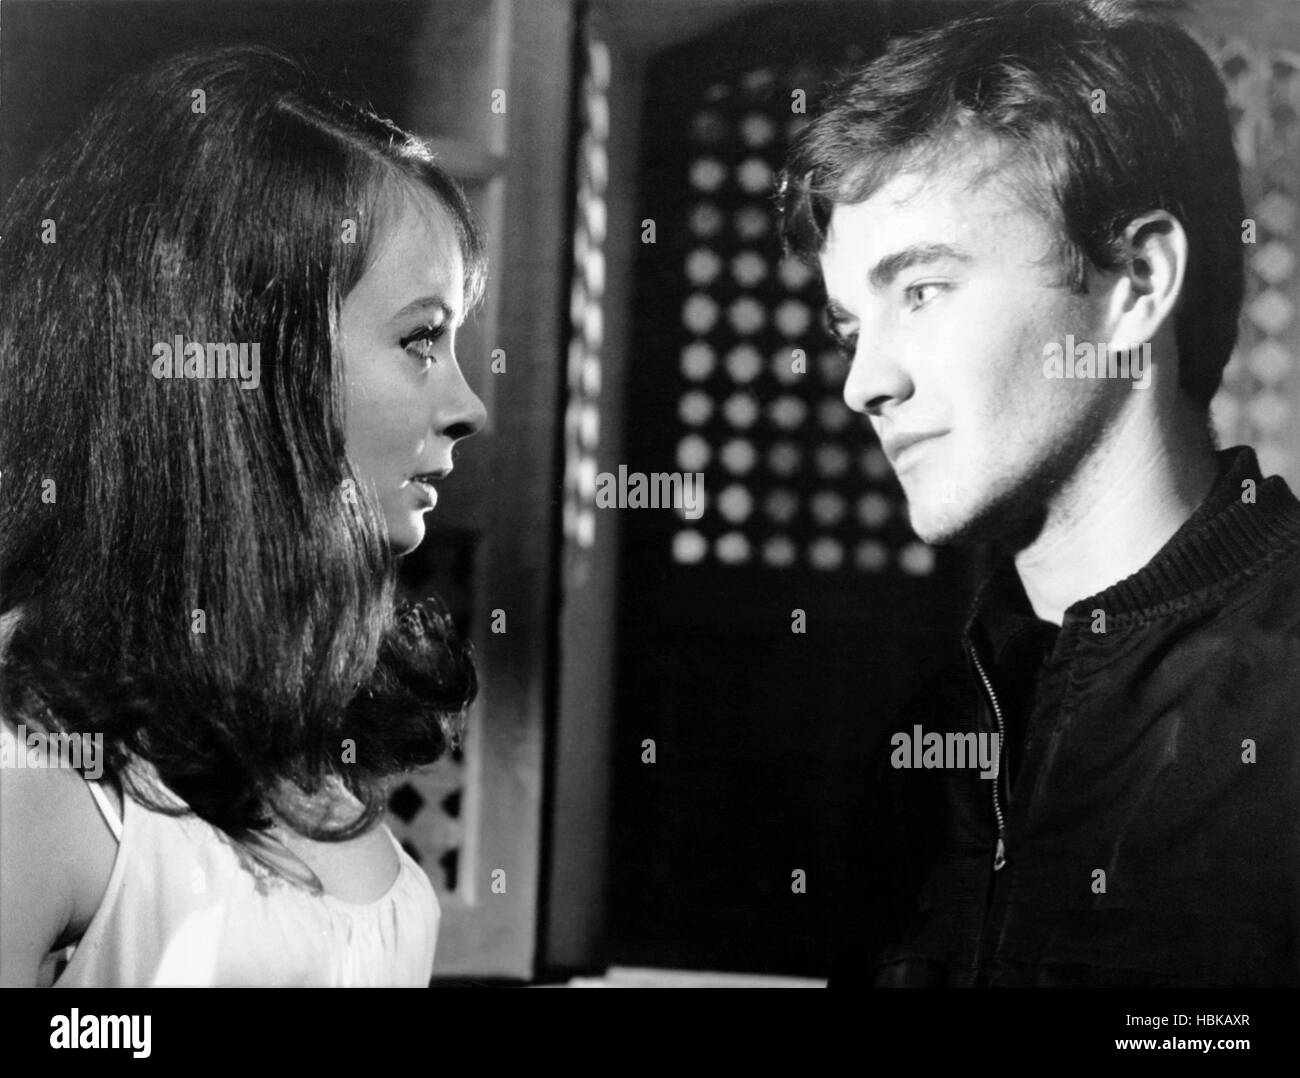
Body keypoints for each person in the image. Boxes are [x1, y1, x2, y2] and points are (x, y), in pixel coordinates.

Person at [778, 0, 1300, 986]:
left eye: (922, 289)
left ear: (1136, 282)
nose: (862, 381)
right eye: (851, 326)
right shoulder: (925, 733)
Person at [0, 45, 487, 987]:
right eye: (421, 337)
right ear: (250, 363)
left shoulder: (297, 725)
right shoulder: (29, 757)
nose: (471, 404)